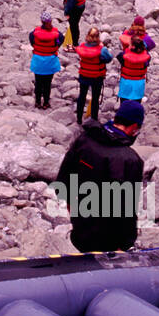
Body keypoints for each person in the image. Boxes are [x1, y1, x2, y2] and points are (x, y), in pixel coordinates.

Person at [55, 100, 145, 253]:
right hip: (108, 238)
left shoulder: (85, 139)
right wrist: (126, 242)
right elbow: (126, 209)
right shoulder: (131, 160)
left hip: (80, 227)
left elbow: (64, 178)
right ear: (135, 127)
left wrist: (73, 211)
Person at [71, 27, 112, 125]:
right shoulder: (102, 50)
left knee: (82, 96)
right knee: (95, 98)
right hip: (97, 77)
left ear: (87, 36)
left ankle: (79, 119)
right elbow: (109, 58)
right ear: (98, 37)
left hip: (84, 75)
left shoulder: (82, 47)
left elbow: (77, 51)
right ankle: (93, 118)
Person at [29, 11, 65, 108]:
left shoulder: (34, 33)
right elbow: (61, 40)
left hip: (38, 62)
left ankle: (37, 102)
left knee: (38, 82)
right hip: (50, 62)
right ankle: (46, 103)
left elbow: (32, 41)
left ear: (42, 21)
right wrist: (54, 47)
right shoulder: (57, 34)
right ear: (51, 21)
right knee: (47, 84)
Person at [115, 31, 151, 104]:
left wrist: (127, 50)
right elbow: (147, 62)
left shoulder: (124, 55)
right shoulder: (146, 56)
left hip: (126, 82)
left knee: (124, 102)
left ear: (131, 46)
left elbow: (119, 57)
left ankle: (123, 114)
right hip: (139, 82)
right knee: (137, 102)